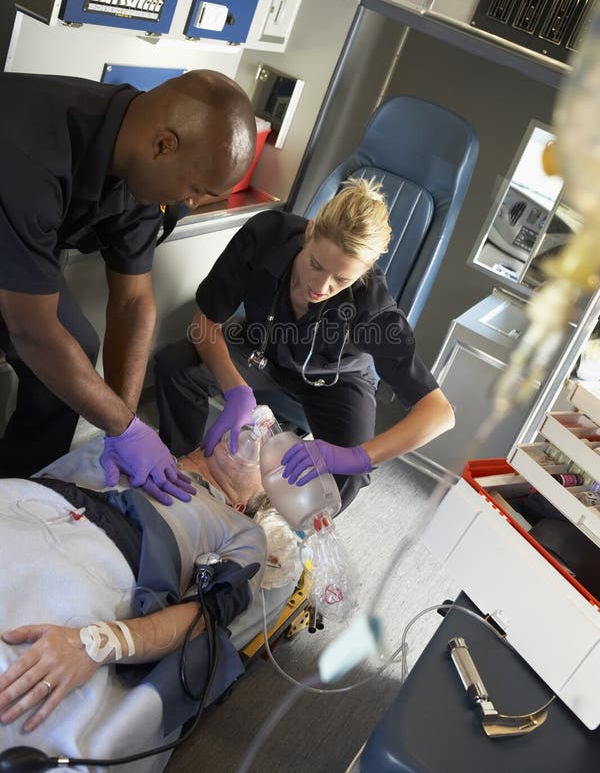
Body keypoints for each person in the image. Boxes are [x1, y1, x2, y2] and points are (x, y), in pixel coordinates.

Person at [0, 69, 256, 504]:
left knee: (75, 354)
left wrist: (122, 423)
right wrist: (126, 428)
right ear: (163, 145)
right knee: (49, 343)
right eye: (195, 189)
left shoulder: (141, 168)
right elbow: (33, 330)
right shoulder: (32, 148)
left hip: (13, 236)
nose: (189, 203)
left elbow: (134, 301)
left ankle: (21, 499)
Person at [154, 178, 455, 511]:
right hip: (261, 348)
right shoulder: (266, 235)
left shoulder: (374, 310)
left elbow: (440, 413)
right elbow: (205, 323)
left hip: (335, 379)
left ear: (365, 272)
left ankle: (271, 528)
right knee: (175, 365)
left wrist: (356, 456)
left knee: (349, 476)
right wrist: (236, 391)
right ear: (310, 231)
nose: (321, 286)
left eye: (342, 279)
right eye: (316, 264)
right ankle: (181, 468)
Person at [0, 431, 274, 745]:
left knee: (16, 678)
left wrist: (96, 642)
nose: (260, 429)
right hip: (24, 501)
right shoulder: (133, 436)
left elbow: (201, 617)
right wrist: (126, 430)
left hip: (93, 560)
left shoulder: (244, 531)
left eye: (270, 448)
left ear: (243, 504)